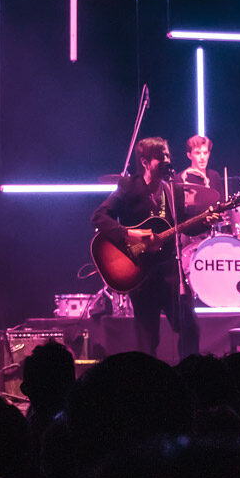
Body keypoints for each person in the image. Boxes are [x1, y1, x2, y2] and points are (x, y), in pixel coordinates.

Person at [92, 137, 201, 360]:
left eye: (168, 155)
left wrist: (206, 220)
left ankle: (189, 375)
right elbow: (99, 217)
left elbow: (183, 225)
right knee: (147, 342)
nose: (167, 160)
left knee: (190, 327)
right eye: (161, 157)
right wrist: (129, 233)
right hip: (139, 274)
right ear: (145, 162)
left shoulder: (173, 190)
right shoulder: (128, 187)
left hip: (170, 272)